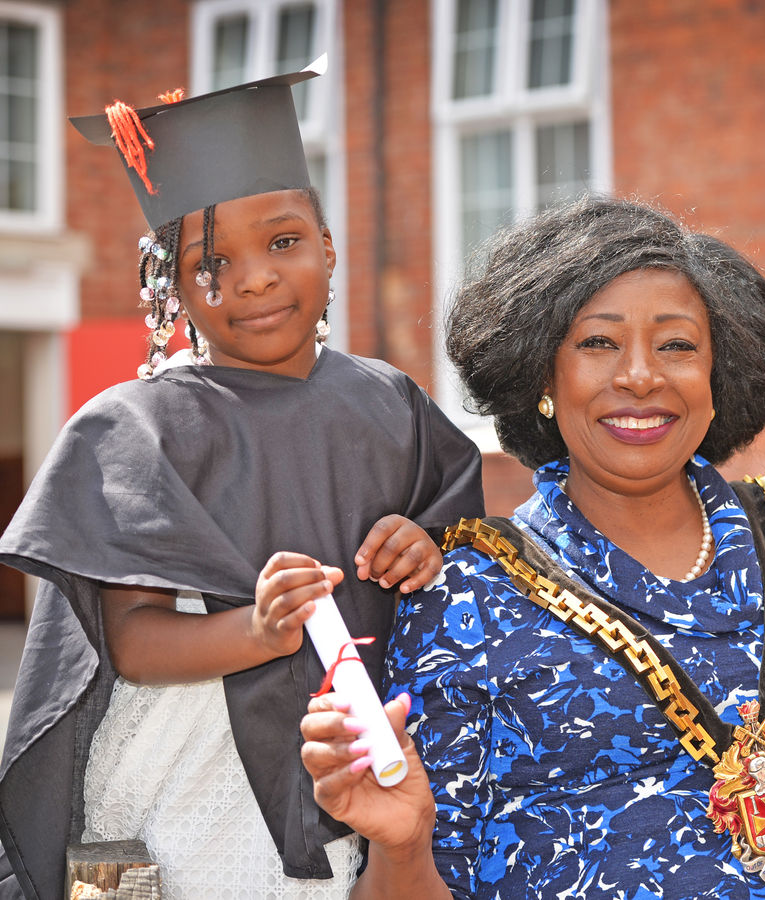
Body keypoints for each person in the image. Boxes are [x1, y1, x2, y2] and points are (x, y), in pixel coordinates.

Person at [297, 196, 765, 899]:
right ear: (543, 374)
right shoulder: (464, 596)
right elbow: (429, 878)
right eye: (598, 343)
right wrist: (399, 849)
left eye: (676, 347)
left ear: (717, 375)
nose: (639, 377)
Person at [0, 59, 483, 900]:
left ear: (328, 249)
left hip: (346, 751)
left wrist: (426, 543)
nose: (253, 278)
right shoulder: (135, 426)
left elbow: (467, 528)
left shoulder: (390, 403)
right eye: (210, 262)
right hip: (176, 764)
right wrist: (258, 633)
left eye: (284, 242)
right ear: (172, 287)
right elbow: (132, 642)